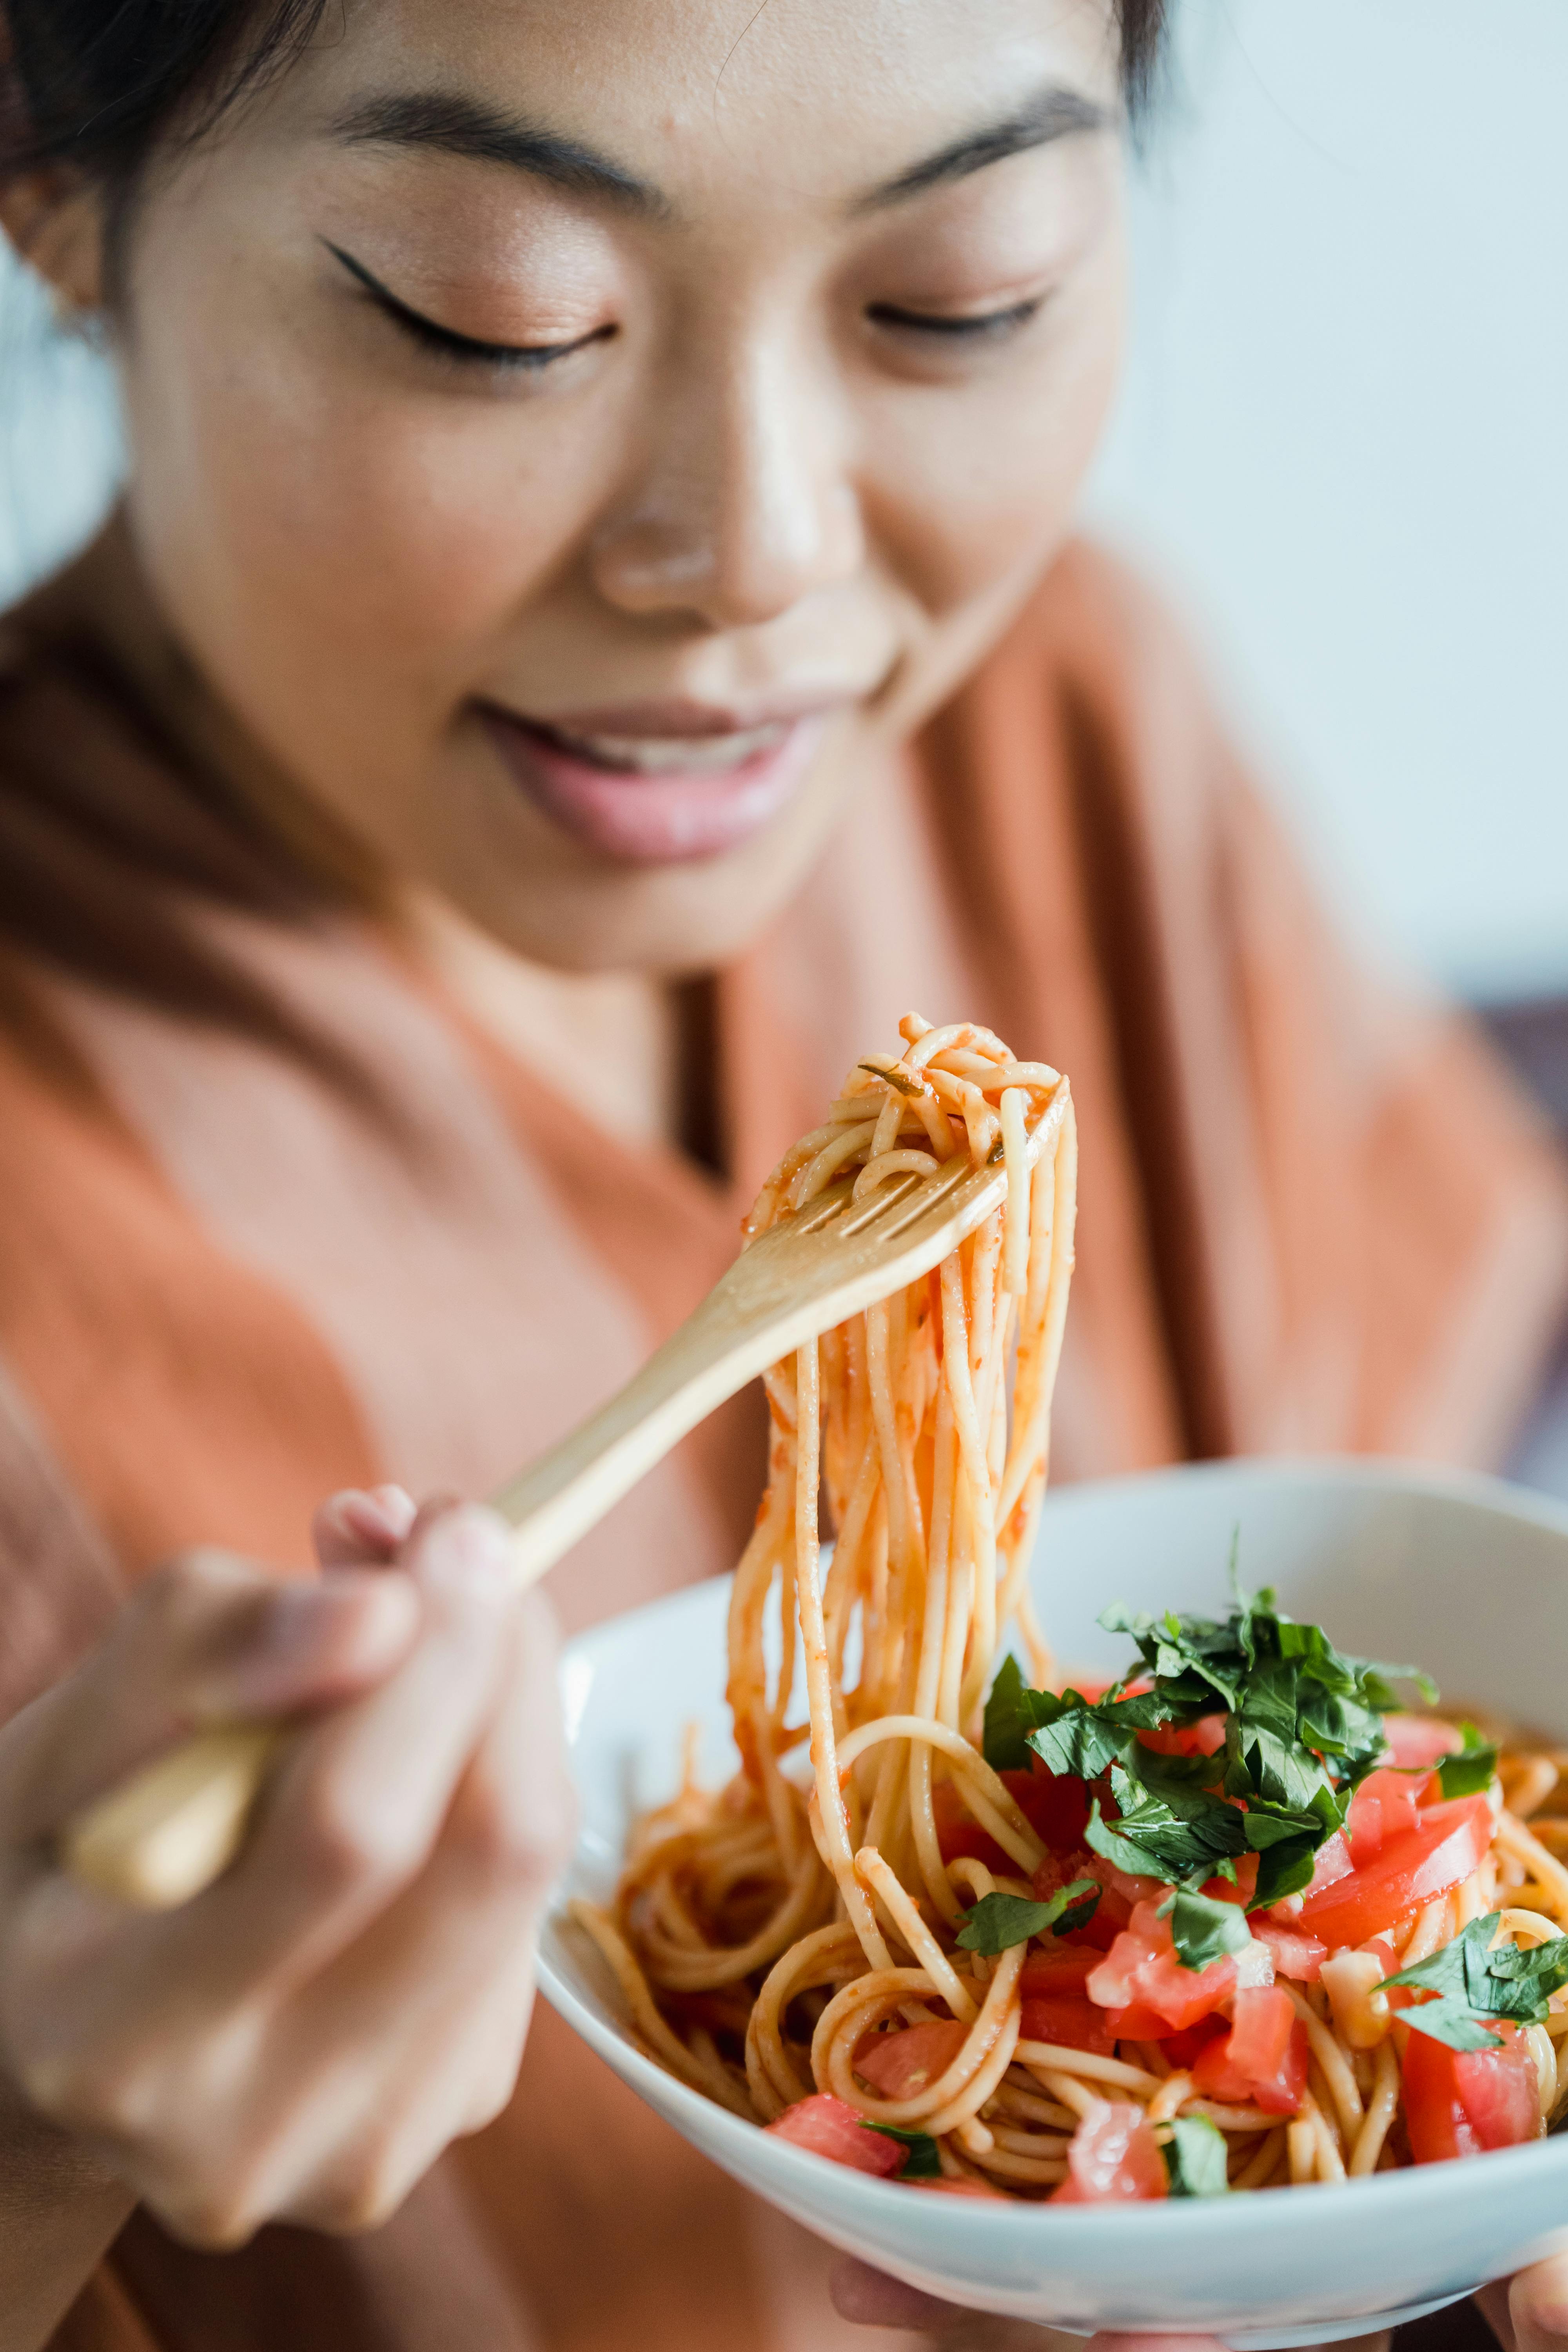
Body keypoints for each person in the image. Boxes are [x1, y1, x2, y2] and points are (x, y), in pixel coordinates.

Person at [0, 1, 1564, 2347]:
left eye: (965, 297)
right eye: (495, 319)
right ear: (44, 167)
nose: (756, 557)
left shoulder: (1068, 732)